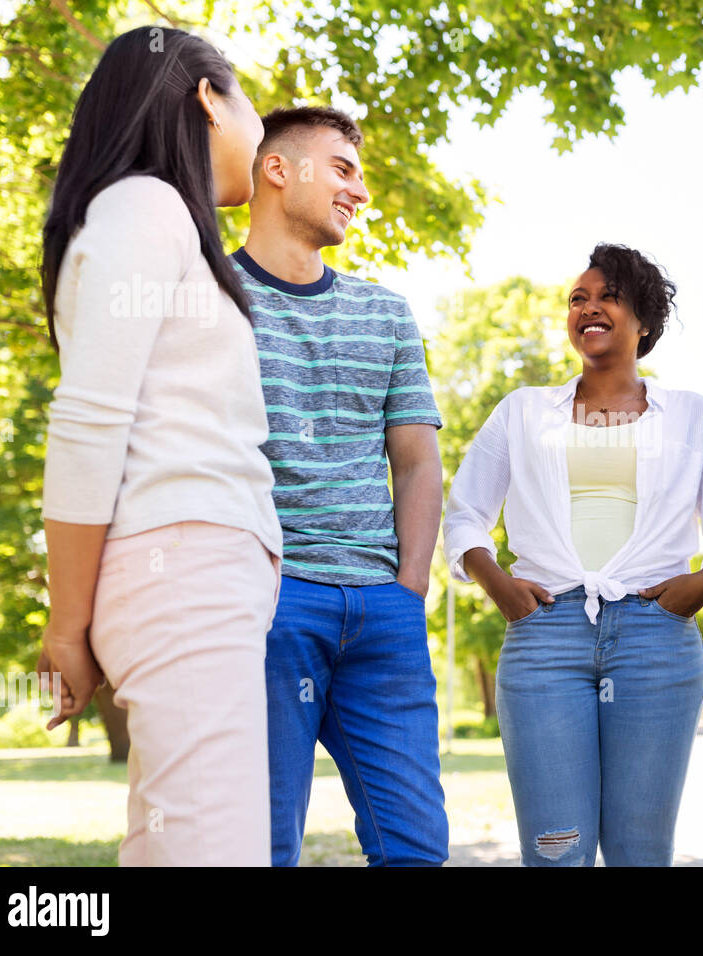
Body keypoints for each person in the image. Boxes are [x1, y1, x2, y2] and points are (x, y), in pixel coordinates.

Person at [37, 27, 281, 866]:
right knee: (214, 847)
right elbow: (88, 419)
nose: (262, 128)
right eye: (249, 99)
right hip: (182, 570)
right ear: (207, 99)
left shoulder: (148, 216)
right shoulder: (147, 205)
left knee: (176, 842)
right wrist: (67, 625)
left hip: (189, 572)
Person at [443, 244, 703, 866]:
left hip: (656, 641)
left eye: (607, 296)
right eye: (578, 299)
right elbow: (464, 516)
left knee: (641, 853)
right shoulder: (522, 412)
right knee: (557, 850)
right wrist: (498, 583)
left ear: (644, 317)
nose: (588, 308)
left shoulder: (692, 417)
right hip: (544, 637)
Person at [231, 106, 449, 866]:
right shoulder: (208, 296)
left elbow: (417, 461)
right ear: (277, 168)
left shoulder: (386, 313)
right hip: (267, 602)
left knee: (417, 847)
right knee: (260, 845)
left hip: (382, 610)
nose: (360, 192)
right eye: (343, 170)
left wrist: (408, 585)